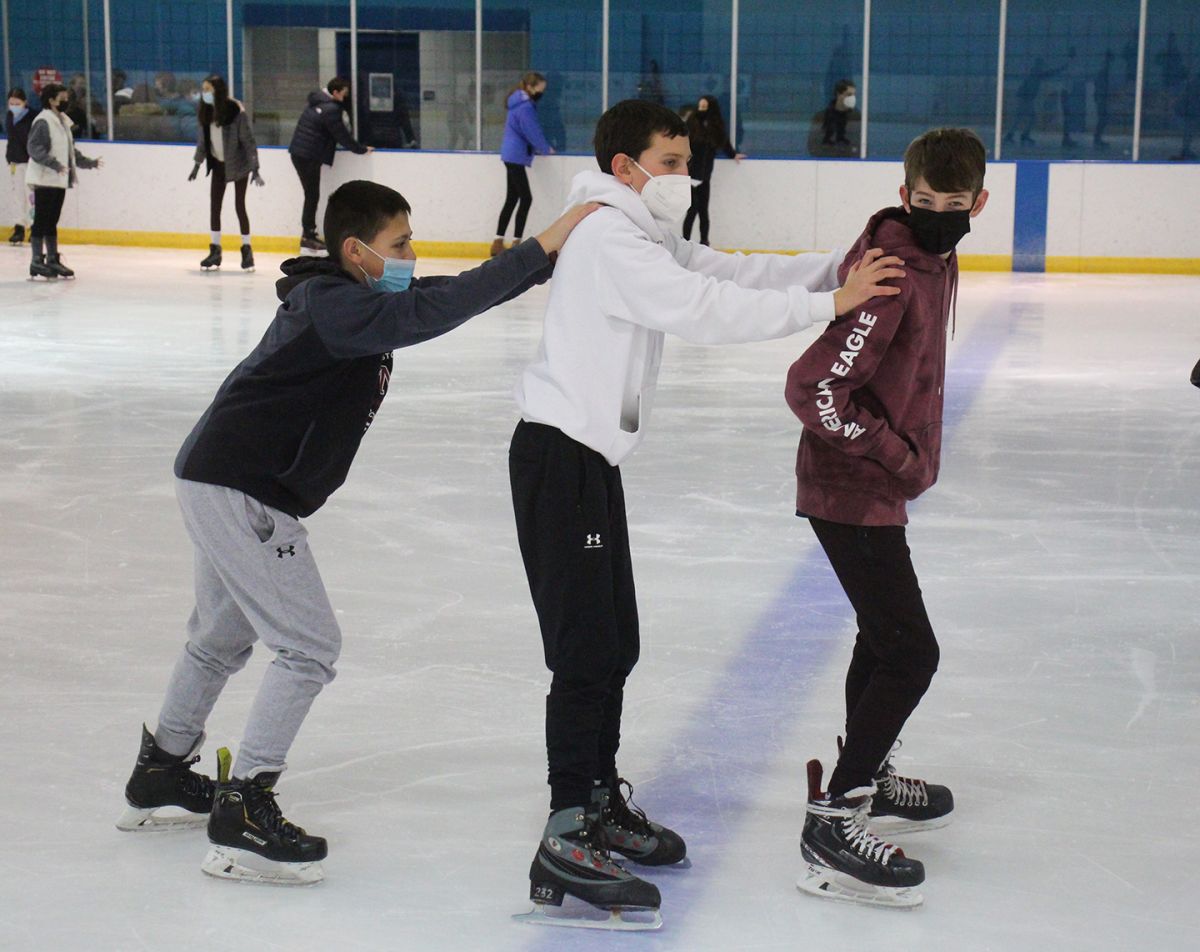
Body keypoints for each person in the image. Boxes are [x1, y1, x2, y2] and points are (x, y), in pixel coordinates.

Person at [115, 179, 599, 886]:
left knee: (220, 637)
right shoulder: (333, 305)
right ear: (355, 251)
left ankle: (161, 771)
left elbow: (445, 293)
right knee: (309, 647)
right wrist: (541, 244)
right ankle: (245, 807)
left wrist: (546, 263)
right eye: (399, 243)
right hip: (242, 488)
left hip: (222, 477)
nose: (411, 254)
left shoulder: (351, 299)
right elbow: (435, 307)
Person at [508, 98, 904, 928]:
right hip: (560, 460)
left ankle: (596, 801)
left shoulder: (638, 230)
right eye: (671, 162)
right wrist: (830, 306)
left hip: (587, 463)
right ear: (625, 167)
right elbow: (703, 310)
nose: (685, 176)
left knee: (615, 642)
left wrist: (836, 268)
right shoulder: (610, 238)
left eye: (688, 162)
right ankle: (567, 827)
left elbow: (728, 272)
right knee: (586, 651)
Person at [784, 127, 989, 908]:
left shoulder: (934, 258)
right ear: (905, 196)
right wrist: (896, 454)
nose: (939, 215)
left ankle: (867, 774)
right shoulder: (896, 273)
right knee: (910, 652)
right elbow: (812, 388)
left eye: (954, 203)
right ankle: (835, 820)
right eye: (925, 201)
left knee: (881, 636)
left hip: (872, 485)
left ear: (978, 203)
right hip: (850, 485)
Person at [288, 77, 374, 253]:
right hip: (308, 155)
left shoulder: (318, 101)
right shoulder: (331, 109)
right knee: (312, 195)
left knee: (311, 194)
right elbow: (342, 135)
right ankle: (308, 236)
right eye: (344, 93)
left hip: (300, 153)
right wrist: (361, 149)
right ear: (335, 92)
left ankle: (308, 235)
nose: (345, 97)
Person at [25, 83, 101, 279]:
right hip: (45, 179)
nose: (67, 101)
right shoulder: (43, 121)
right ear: (51, 100)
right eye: (63, 98)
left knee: (52, 220)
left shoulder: (62, 120)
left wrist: (88, 163)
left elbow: (69, 151)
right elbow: (34, 148)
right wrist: (54, 164)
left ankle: (52, 258)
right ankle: (36, 260)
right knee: (41, 220)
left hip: (59, 180)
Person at [188, 75, 263, 272]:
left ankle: (247, 250)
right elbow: (203, 142)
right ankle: (215, 250)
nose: (204, 93)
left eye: (208, 90)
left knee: (239, 205)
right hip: (218, 165)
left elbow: (248, 141)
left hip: (239, 164)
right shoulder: (205, 112)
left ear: (217, 91)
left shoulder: (235, 111)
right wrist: (197, 165)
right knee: (215, 206)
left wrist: (255, 168)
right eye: (203, 89)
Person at [491, 72, 554, 257]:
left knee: (512, 198)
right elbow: (532, 131)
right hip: (516, 155)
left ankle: (497, 242)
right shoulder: (525, 107)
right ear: (529, 87)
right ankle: (516, 242)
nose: (541, 93)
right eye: (539, 89)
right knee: (526, 198)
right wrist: (545, 148)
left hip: (511, 154)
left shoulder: (517, 103)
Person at [682, 94, 744, 246]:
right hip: (691, 174)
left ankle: (704, 242)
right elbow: (683, 142)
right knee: (692, 209)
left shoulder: (715, 126)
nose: (701, 109)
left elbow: (724, 142)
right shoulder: (692, 123)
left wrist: (733, 154)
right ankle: (685, 242)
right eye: (700, 106)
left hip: (705, 175)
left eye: (704, 107)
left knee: (703, 211)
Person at [5, 87, 36, 245]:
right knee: (17, 196)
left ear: (25, 102)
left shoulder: (33, 117)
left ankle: (35, 228)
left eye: (17, 103)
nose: (14, 106)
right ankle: (19, 227)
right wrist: (9, 156)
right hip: (15, 161)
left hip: (31, 162)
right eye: (11, 103)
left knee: (31, 196)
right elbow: (12, 139)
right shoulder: (10, 116)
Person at [822, 79, 857, 147]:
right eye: (849, 94)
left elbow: (861, 144)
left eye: (854, 95)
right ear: (838, 94)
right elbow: (814, 144)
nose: (852, 98)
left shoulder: (856, 116)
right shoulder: (823, 115)